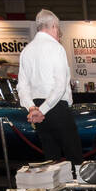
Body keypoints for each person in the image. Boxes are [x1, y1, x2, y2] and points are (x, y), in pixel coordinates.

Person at [16, 10, 83, 164]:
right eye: (58, 28)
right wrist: (43, 110)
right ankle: (79, 188)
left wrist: (33, 108)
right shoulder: (56, 48)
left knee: (51, 160)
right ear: (53, 26)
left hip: (37, 110)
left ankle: (55, 188)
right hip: (56, 107)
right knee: (75, 157)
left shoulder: (26, 51)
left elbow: (22, 86)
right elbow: (60, 86)